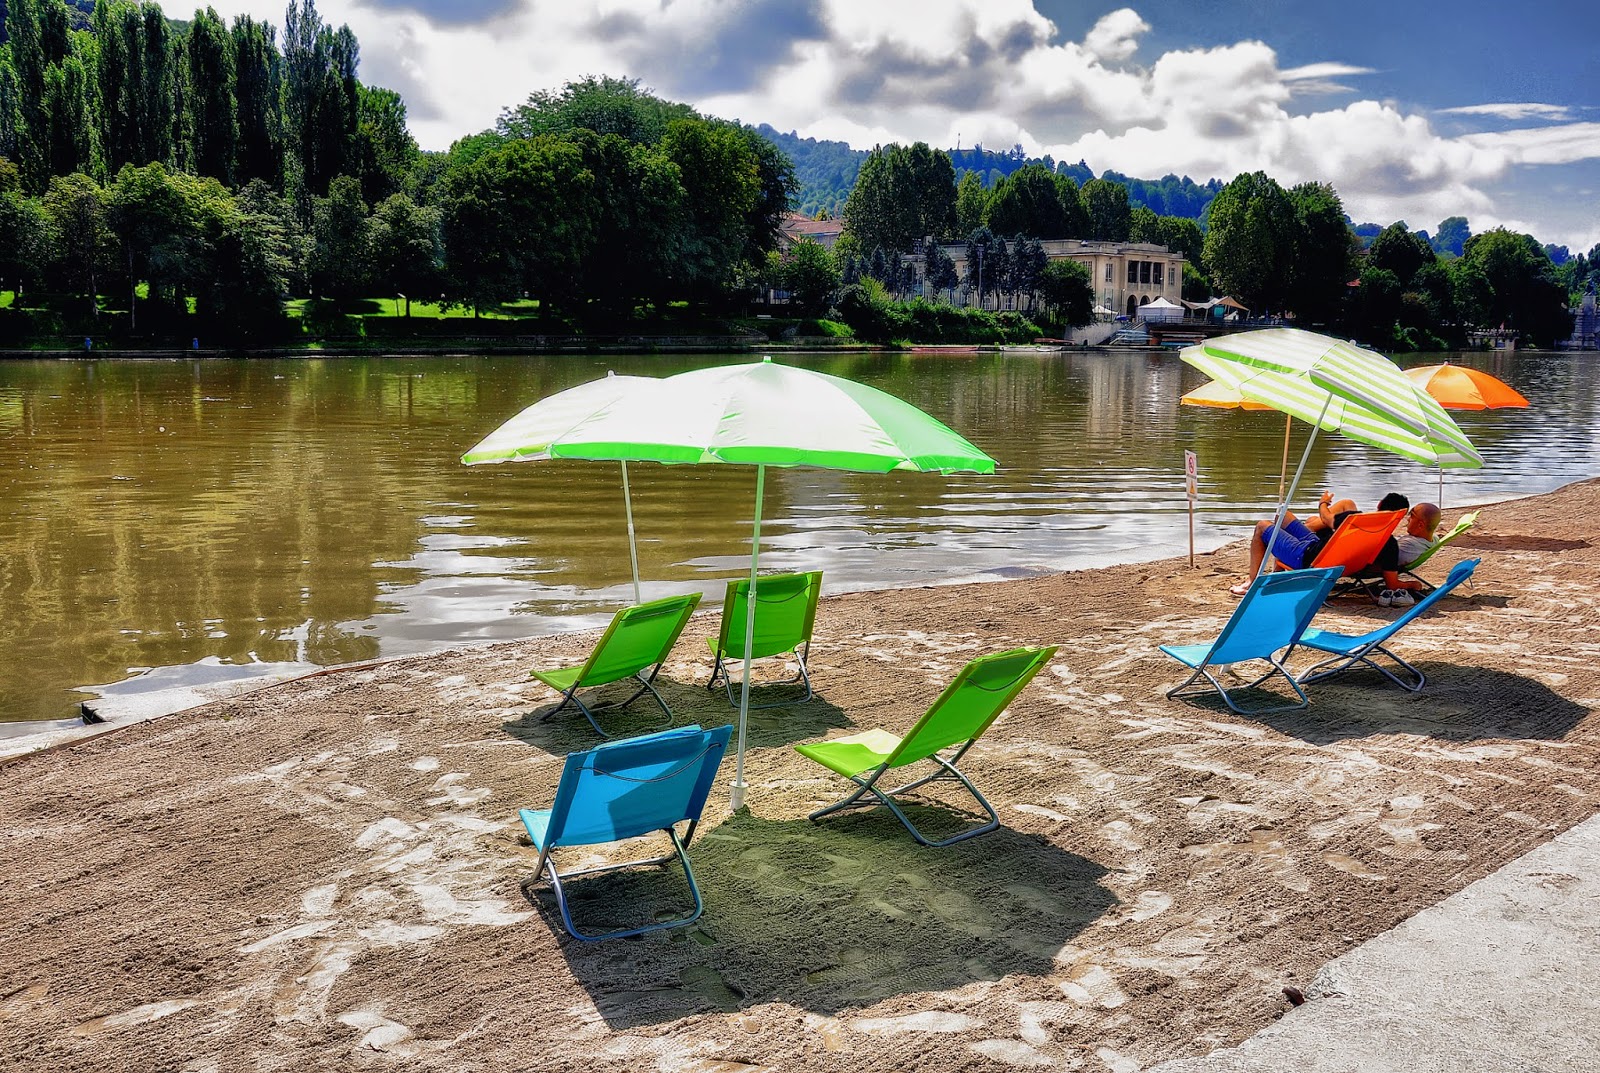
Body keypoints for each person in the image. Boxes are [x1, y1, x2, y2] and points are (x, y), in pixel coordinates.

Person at [1232, 491, 1410, 597]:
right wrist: (1412, 585)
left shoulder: (1355, 522)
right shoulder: (1390, 543)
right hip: (1325, 553)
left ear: (1379, 505)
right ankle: (1278, 575)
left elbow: (1326, 517)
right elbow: (1393, 585)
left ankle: (1252, 582)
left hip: (1308, 558)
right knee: (1282, 516)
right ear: (1399, 518)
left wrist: (1323, 502)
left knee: (1262, 527)